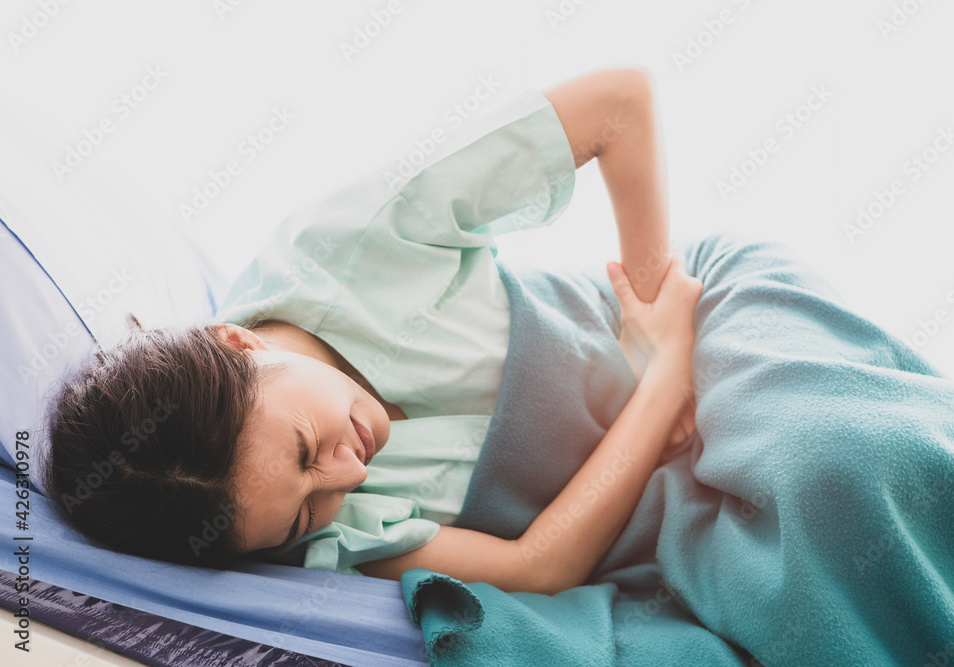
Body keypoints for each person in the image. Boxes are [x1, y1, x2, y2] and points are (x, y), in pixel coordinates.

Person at [42, 66, 703, 595]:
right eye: (303, 511)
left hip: (700, 323)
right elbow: (537, 567)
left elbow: (621, 102)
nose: (348, 475)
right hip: (670, 450)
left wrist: (654, 335)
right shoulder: (312, 533)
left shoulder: (359, 239)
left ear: (238, 341)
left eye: (305, 450)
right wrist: (661, 388)